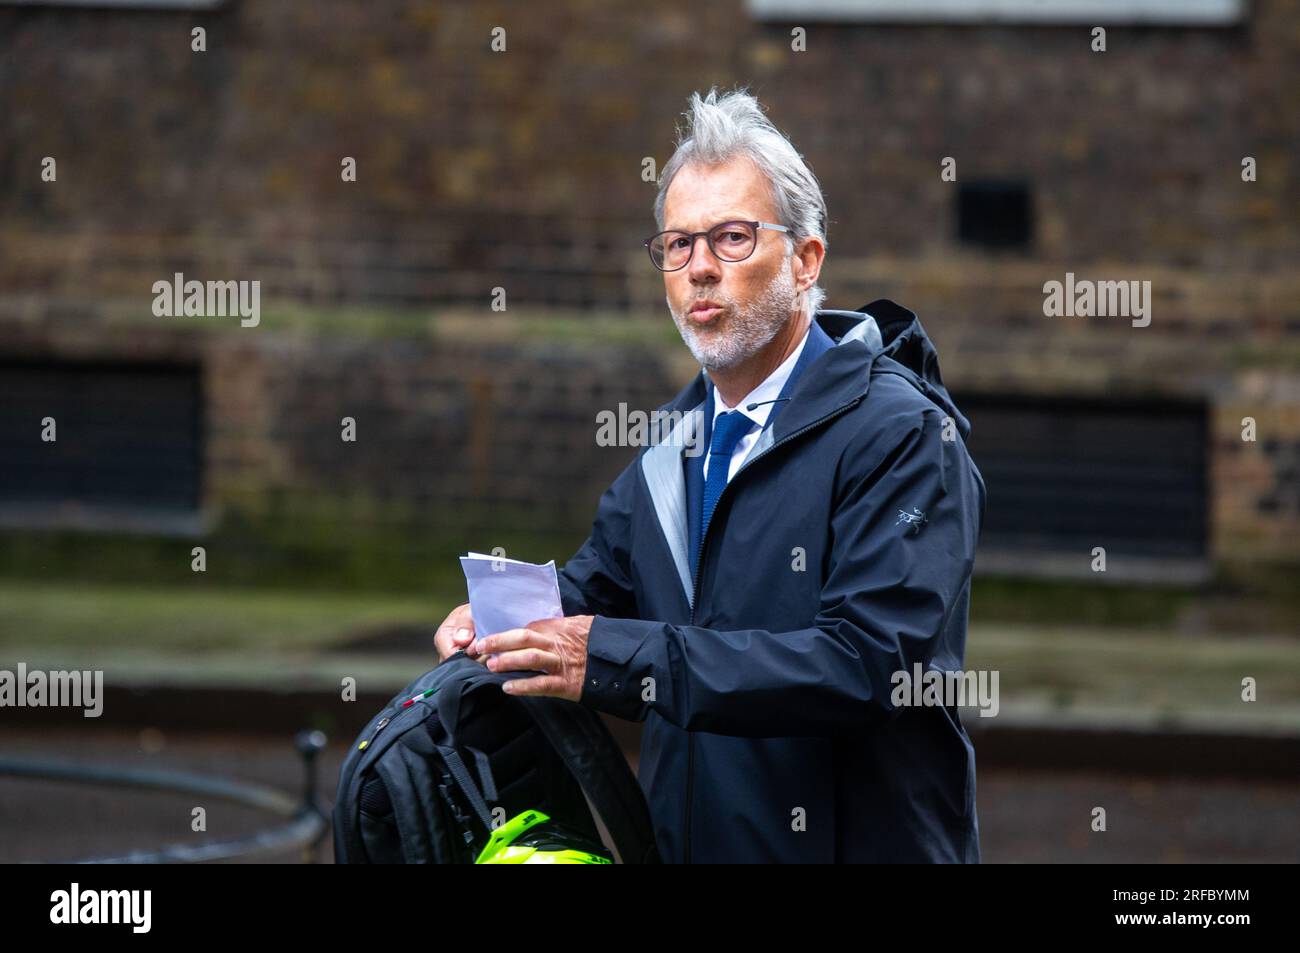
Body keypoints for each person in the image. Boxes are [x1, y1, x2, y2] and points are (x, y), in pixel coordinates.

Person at [436, 86, 986, 863]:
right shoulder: (673, 445)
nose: (699, 270)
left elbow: (865, 666)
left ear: (805, 259)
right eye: (678, 244)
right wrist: (500, 621)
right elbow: (599, 592)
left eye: (731, 239)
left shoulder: (901, 435)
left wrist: (620, 656)